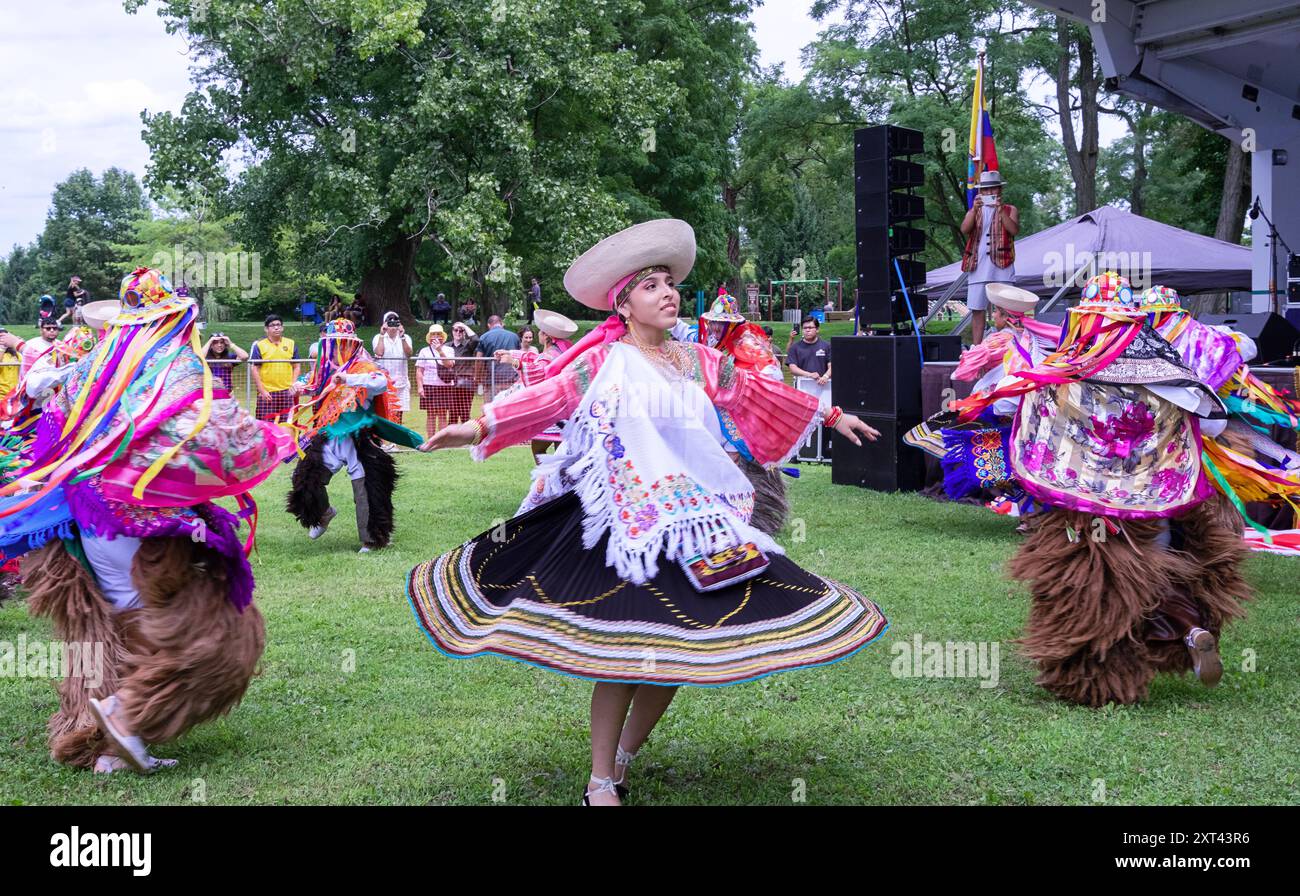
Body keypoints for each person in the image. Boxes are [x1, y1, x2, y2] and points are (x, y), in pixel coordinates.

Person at [408, 219, 887, 806]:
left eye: (669, 282)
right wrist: (478, 425)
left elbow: (763, 394)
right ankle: (600, 779)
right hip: (627, 523)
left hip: (695, 521)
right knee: (622, 649)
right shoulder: (605, 360)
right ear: (625, 304)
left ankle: (627, 756)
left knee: (678, 649)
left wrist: (834, 419)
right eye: (650, 285)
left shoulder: (697, 359)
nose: (667, 292)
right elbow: (549, 396)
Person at [0, 267, 296, 774]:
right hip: (139, 528)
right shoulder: (175, 364)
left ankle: (104, 744)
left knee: (107, 632)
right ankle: (125, 717)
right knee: (221, 630)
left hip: (86, 523)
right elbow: (214, 431)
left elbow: (42, 414)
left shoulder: (97, 364)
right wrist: (277, 439)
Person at [953, 272, 1249, 706]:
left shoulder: (1067, 374)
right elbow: (1214, 421)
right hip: (1159, 504)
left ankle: (1100, 680)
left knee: (1094, 591)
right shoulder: (1170, 376)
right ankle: (1189, 627)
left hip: (1088, 511)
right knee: (1159, 567)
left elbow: (1006, 405)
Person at [287, 319, 423, 553]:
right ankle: (322, 514)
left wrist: (348, 379)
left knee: (366, 488)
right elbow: (309, 382)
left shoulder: (365, 368)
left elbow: (380, 383)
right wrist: (297, 386)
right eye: (333, 343)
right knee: (305, 478)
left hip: (360, 438)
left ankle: (372, 538)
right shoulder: (325, 369)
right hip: (330, 435)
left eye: (343, 343)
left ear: (353, 344)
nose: (339, 347)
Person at [696, 293, 791, 535]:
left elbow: (772, 374)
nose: (714, 327)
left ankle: (745, 517)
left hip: (742, 419)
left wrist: (746, 391)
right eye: (713, 322)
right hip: (719, 415)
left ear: (732, 324)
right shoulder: (715, 343)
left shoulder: (748, 344)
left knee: (734, 463)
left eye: (720, 322)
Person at [494, 308, 577, 461]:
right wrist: (510, 353)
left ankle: (545, 480)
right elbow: (532, 357)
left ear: (545, 336)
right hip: (564, 408)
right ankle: (555, 480)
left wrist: (514, 362)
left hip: (552, 409)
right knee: (561, 450)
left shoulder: (550, 355)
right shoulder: (559, 352)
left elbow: (538, 372)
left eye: (540, 332)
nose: (537, 334)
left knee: (539, 449)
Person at [959, 169, 1019, 346]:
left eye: (993, 189)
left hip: (1002, 264)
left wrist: (1000, 211)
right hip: (977, 265)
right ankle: (977, 349)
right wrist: (973, 211)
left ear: (1000, 190)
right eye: (986, 190)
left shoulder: (1009, 209)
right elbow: (964, 229)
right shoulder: (975, 210)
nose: (990, 193)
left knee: (1006, 308)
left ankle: (1007, 345)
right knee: (977, 309)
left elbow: (1014, 230)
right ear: (980, 192)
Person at [250, 314, 301, 421]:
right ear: (266, 329)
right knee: (266, 425)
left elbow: (297, 366)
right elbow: (255, 369)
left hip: (286, 392)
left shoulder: (291, 343)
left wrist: (293, 384)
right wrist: (262, 390)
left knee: (286, 424)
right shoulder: (259, 345)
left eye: (278, 325)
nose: (276, 327)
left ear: (282, 327)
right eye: (272, 325)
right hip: (268, 392)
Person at [372, 312, 413, 431]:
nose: (392, 323)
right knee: (385, 411)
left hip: (402, 382)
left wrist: (403, 336)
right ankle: (385, 440)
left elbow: (409, 354)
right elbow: (379, 352)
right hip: (385, 382)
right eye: (390, 320)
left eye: (395, 320)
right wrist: (381, 334)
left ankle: (396, 439)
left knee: (399, 412)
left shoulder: (406, 337)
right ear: (384, 323)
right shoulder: (378, 337)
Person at [415, 324, 456, 438]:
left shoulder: (449, 349)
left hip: (444, 385)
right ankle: (431, 439)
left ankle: (441, 440)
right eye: (433, 334)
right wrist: (420, 387)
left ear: (442, 336)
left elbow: (449, 365)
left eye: (439, 334)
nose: (436, 337)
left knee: (443, 414)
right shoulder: (424, 351)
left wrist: (440, 351)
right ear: (430, 337)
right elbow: (419, 370)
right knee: (431, 414)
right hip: (429, 385)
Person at [784, 316, 832, 409]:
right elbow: (792, 368)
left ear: (817, 329)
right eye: (805, 328)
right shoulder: (795, 347)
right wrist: (809, 374)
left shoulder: (826, 346)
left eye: (810, 328)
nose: (807, 330)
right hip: (803, 389)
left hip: (824, 388)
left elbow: (832, 365)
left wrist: (826, 376)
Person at [475, 314, 521, 399]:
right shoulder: (515, 337)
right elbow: (519, 357)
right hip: (511, 381)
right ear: (501, 323)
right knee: (510, 410)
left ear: (489, 325)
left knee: (490, 409)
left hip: (492, 381)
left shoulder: (484, 337)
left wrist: (478, 378)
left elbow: (479, 359)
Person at [448, 322, 478, 425]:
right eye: (456, 330)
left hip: (466, 383)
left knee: (465, 413)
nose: (458, 332)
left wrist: (464, 326)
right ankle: (453, 439)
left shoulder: (468, 345)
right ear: (452, 332)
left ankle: (467, 438)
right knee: (453, 413)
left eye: (461, 331)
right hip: (451, 383)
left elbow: (476, 339)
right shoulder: (447, 346)